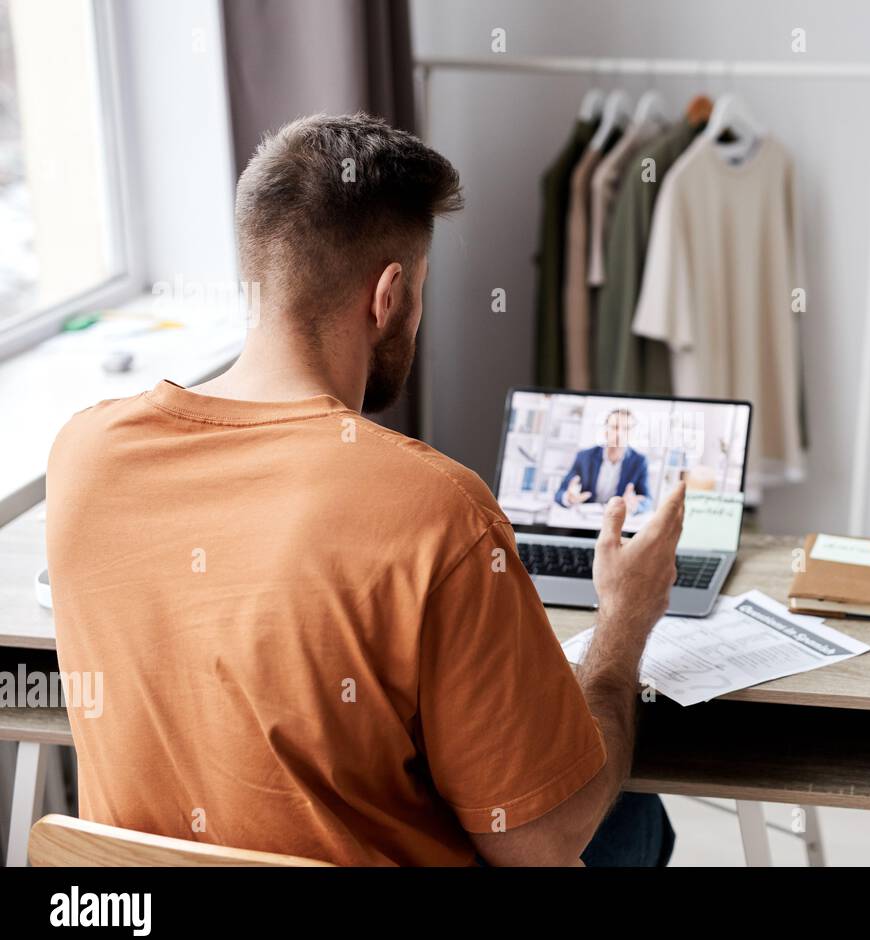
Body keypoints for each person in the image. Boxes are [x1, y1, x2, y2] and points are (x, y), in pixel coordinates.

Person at [45, 113, 683, 866]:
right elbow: (543, 841)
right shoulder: (441, 511)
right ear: (388, 297)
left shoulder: (84, 454)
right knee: (631, 812)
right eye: (418, 292)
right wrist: (622, 630)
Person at [554, 408, 653, 515]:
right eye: (615, 427)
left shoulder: (639, 461)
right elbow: (560, 493)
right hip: (584, 520)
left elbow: (647, 501)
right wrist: (569, 498)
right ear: (605, 430)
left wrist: (635, 505)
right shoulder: (584, 456)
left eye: (627, 429)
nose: (620, 433)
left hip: (617, 520)